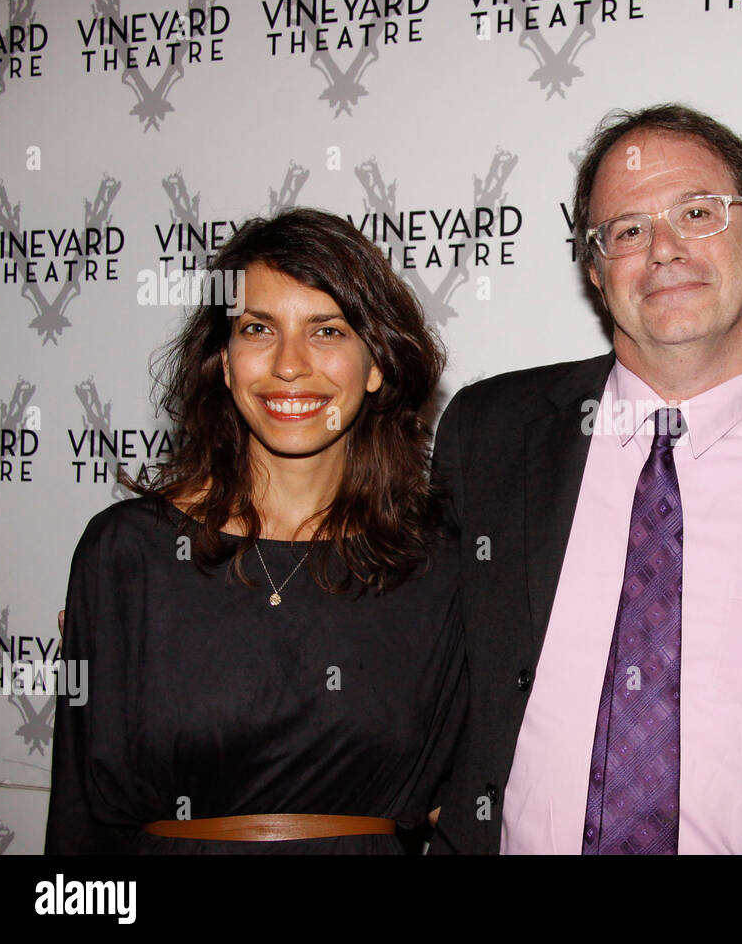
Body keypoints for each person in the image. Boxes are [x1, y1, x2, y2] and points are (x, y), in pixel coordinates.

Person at [429, 104, 742, 854]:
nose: (664, 249)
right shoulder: (490, 433)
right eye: (628, 230)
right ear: (596, 272)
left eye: (697, 212)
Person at [45, 208, 466, 854]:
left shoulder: (433, 563)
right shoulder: (127, 554)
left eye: (326, 330)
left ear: (377, 363)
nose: (290, 365)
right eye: (258, 328)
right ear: (224, 359)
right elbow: (81, 821)